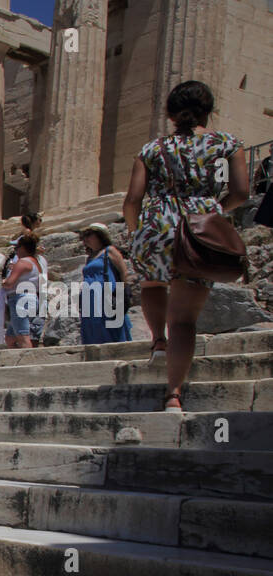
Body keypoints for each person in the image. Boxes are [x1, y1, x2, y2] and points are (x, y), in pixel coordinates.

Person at [124, 80, 248, 411]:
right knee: (185, 320)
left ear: (170, 112)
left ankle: (158, 341)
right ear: (209, 110)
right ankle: (174, 395)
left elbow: (132, 200)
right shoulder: (227, 144)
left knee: (152, 282)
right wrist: (216, 209)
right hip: (200, 229)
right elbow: (241, 192)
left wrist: (138, 232)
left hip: (156, 226)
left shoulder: (151, 150)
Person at [77, 223, 133, 345]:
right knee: (93, 329)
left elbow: (123, 272)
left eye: (89, 234)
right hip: (90, 300)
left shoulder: (110, 251)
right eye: (84, 236)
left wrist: (124, 292)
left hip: (107, 296)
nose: (85, 239)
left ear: (100, 235)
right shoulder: (90, 257)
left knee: (111, 327)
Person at [2, 235, 44, 348]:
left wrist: (3, 281)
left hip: (19, 299)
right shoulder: (37, 263)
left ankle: (29, 363)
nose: (16, 251)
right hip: (31, 298)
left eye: (17, 248)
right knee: (10, 338)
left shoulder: (22, 262)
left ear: (23, 248)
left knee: (22, 336)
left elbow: (9, 283)